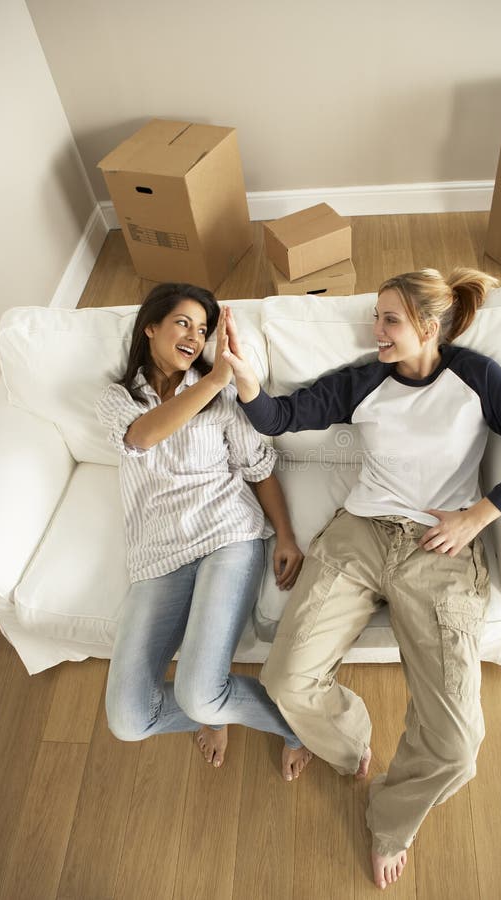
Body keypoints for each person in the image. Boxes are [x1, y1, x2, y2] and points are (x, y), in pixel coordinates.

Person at [221, 267, 501, 889]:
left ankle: (390, 818)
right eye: (376, 317)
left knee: (458, 748)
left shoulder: (476, 377)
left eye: (389, 320)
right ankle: (349, 744)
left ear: (429, 327)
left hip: (441, 549)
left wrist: (477, 517)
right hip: (359, 532)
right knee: (285, 679)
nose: (373, 329)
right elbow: (280, 418)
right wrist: (247, 382)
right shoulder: (365, 379)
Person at [95, 282, 312, 781]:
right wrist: (213, 380)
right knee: (128, 719)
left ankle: (295, 726)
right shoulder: (118, 398)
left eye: (203, 329)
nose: (195, 336)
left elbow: (258, 466)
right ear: (150, 326)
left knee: (199, 691)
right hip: (157, 557)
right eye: (183, 323)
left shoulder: (225, 395)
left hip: (226, 537)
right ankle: (222, 708)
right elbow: (142, 437)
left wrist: (284, 535)